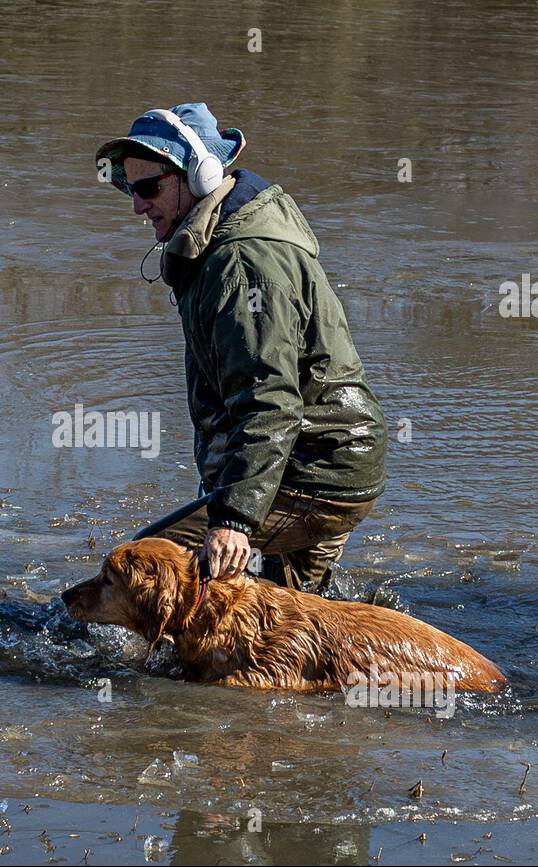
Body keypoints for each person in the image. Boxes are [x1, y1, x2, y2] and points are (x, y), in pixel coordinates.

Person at [95, 103, 388, 592]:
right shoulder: (223, 242)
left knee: (136, 578)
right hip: (324, 463)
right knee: (286, 625)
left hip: (314, 473)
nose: (137, 205)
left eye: (149, 188)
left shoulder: (242, 264)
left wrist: (233, 519)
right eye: (129, 188)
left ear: (200, 175)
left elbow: (268, 401)